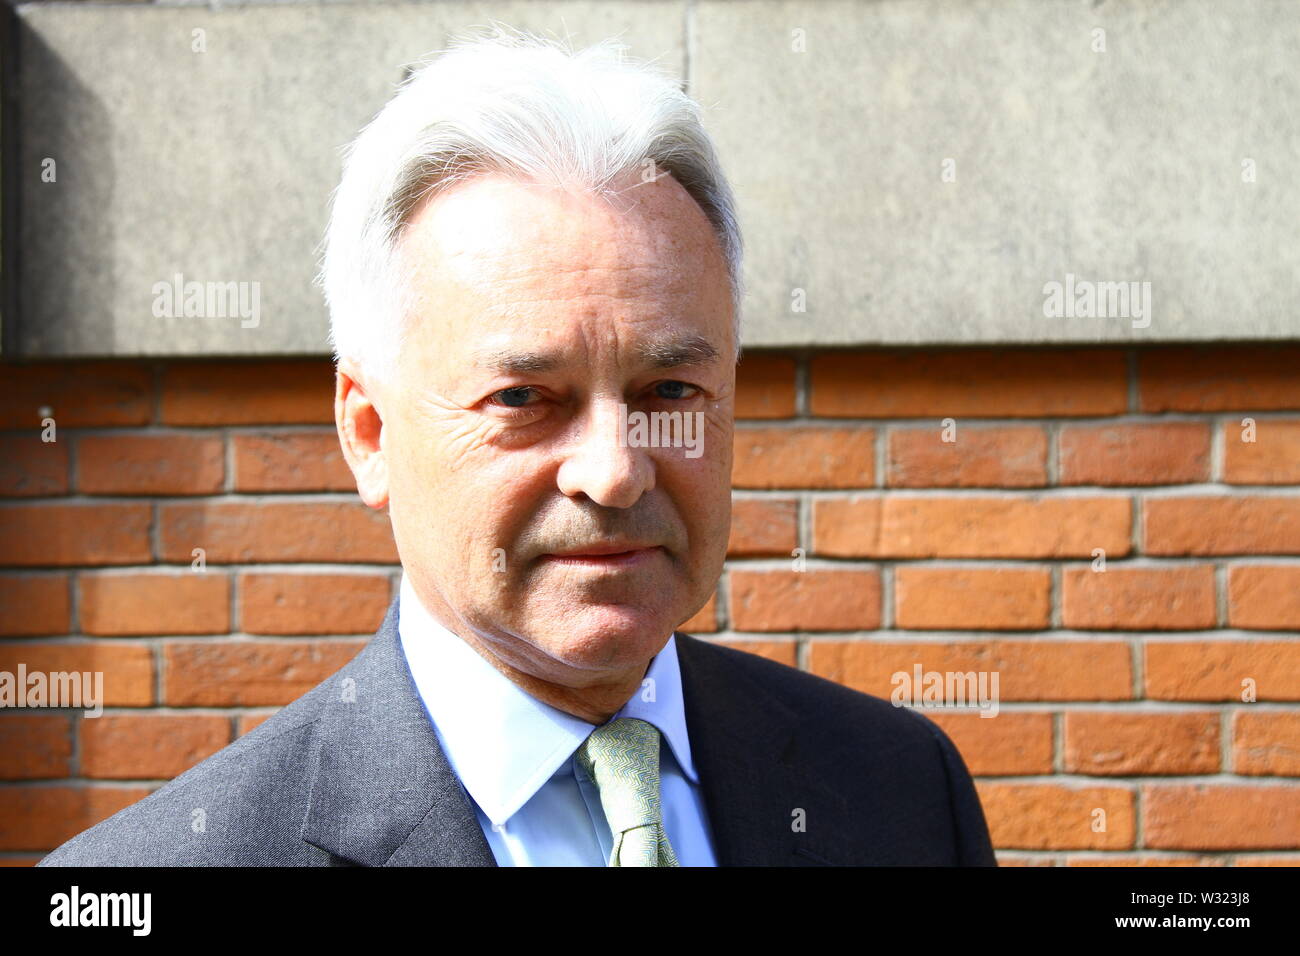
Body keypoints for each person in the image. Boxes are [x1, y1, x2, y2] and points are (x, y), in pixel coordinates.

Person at [39, 23, 996, 867]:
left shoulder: (903, 792)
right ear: (368, 432)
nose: (615, 469)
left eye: (671, 390)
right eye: (525, 399)